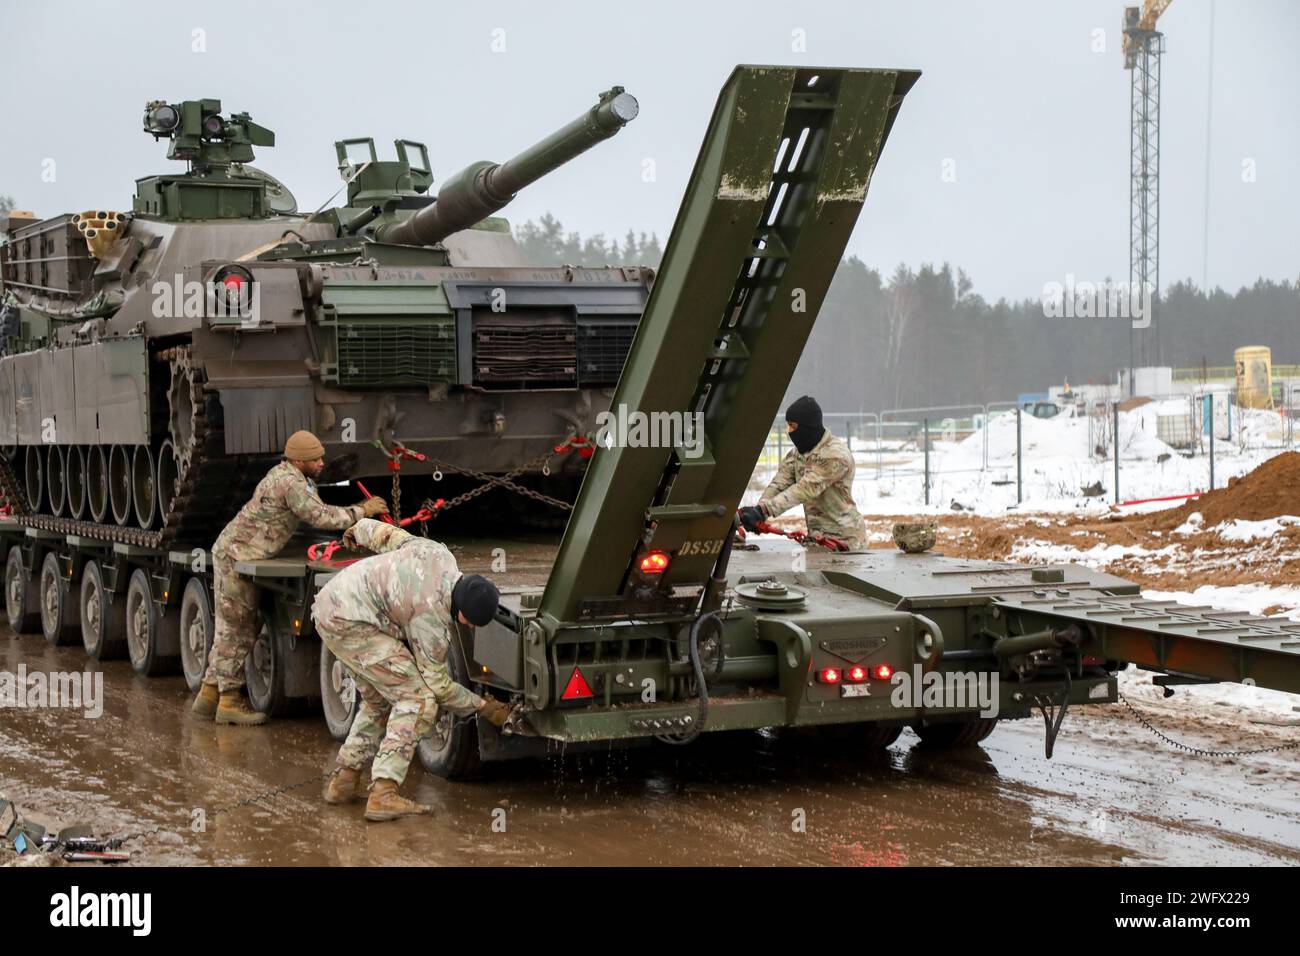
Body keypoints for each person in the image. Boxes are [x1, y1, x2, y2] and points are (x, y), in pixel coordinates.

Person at [314, 518, 511, 821]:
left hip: (334, 603)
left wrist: (358, 530)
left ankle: (344, 781)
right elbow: (438, 687)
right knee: (417, 699)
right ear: (462, 612)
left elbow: (390, 535)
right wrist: (483, 707)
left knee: (380, 700)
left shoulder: (440, 555)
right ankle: (383, 793)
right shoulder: (430, 617)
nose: (467, 626)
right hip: (350, 623)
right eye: (470, 622)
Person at [191, 430, 389, 725]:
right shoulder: (290, 482)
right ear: (298, 460)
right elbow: (320, 516)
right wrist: (361, 511)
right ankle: (229, 701)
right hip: (237, 555)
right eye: (315, 458)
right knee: (237, 629)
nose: (321, 462)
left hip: (237, 552)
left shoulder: (288, 475)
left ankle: (208, 696)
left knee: (236, 626)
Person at [739, 395, 867, 550]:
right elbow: (780, 484)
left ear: (807, 426)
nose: (789, 431)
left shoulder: (836, 455)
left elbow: (806, 488)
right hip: (817, 540)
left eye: (792, 426)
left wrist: (764, 510)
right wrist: (758, 512)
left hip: (846, 542)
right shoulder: (797, 454)